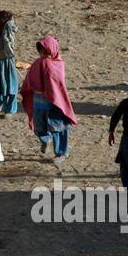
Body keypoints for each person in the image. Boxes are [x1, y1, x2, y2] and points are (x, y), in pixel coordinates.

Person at [21, 36, 78, 165]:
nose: (43, 54)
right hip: (39, 101)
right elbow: (30, 79)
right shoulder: (38, 62)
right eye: (41, 51)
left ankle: (61, 152)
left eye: (45, 51)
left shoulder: (57, 64)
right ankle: (46, 140)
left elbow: (57, 83)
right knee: (40, 126)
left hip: (53, 102)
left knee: (58, 127)